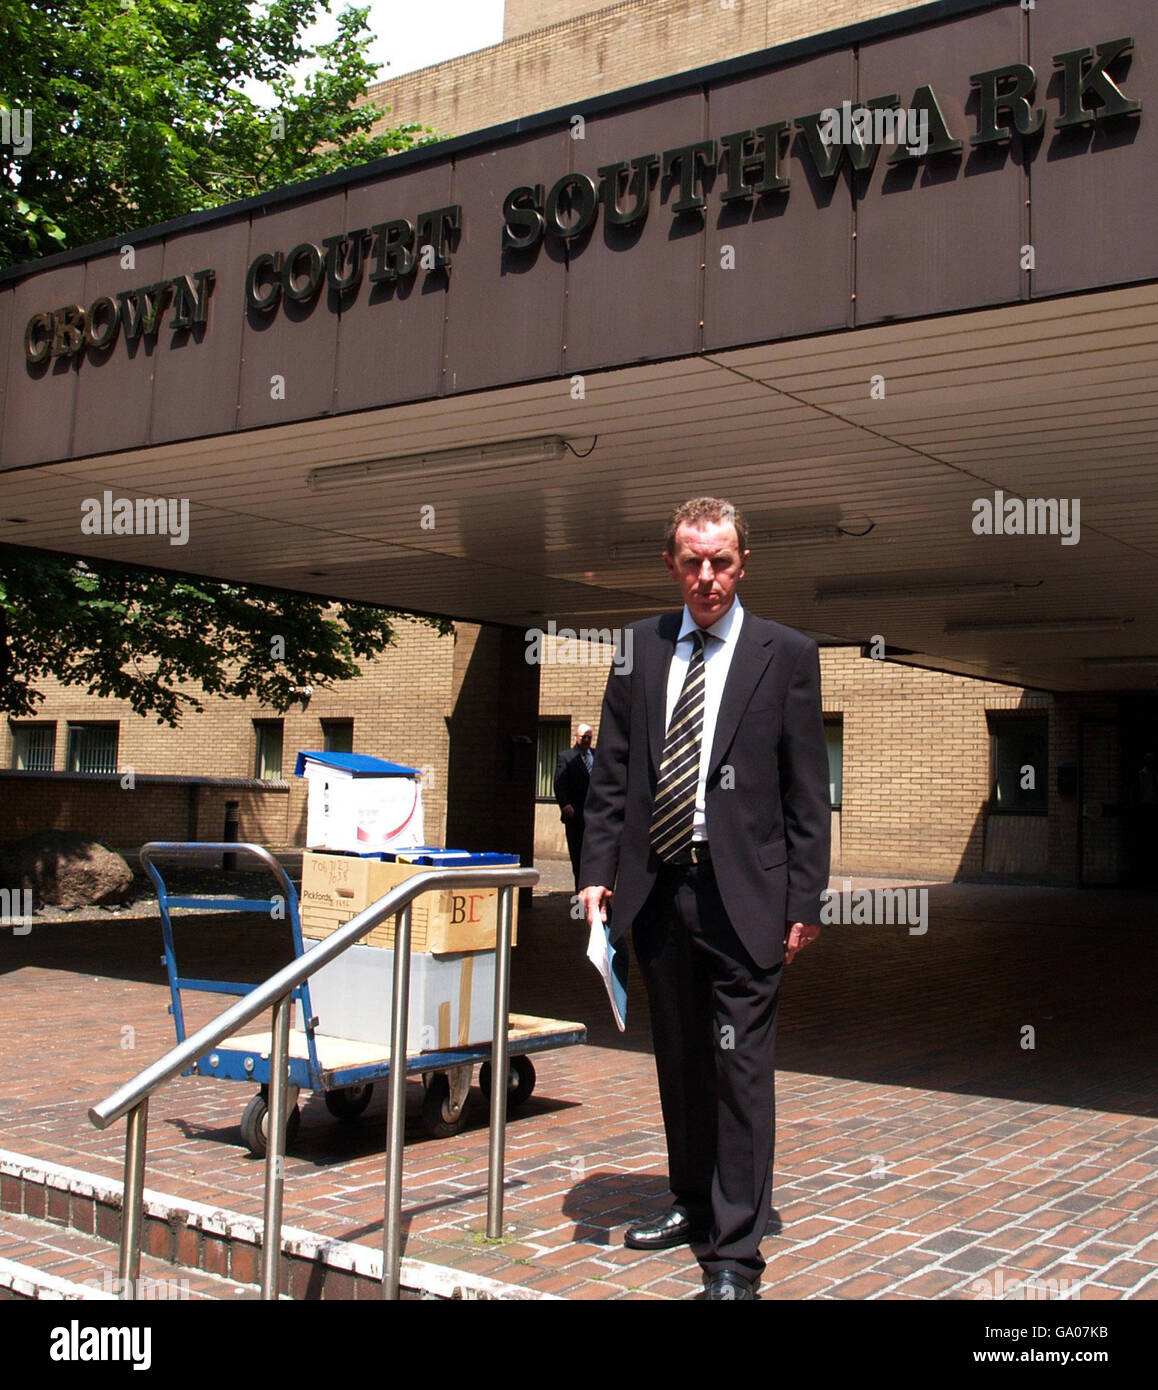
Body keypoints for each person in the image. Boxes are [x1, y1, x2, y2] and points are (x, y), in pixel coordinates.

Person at [579, 496, 830, 1301]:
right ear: (671, 564)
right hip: (657, 892)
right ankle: (690, 1203)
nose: (707, 577)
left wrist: (806, 898)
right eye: (692, 561)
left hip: (746, 898)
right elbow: (612, 776)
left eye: (720, 560)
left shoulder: (783, 653)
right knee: (682, 1063)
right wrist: (595, 872)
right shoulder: (638, 651)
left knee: (739, 1072)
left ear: (743, 562)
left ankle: (734, 1255)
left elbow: (805, 789)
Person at [554, 724, 594, 893]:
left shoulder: (597, 755)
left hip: (595, 816)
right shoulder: (566, 757)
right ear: (576, 737)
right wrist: (565, 804)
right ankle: (580, 893)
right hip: (576, 816)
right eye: (583, 737)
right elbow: (559, 783)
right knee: (577, 857)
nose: (586, 740)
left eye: (589, 737)